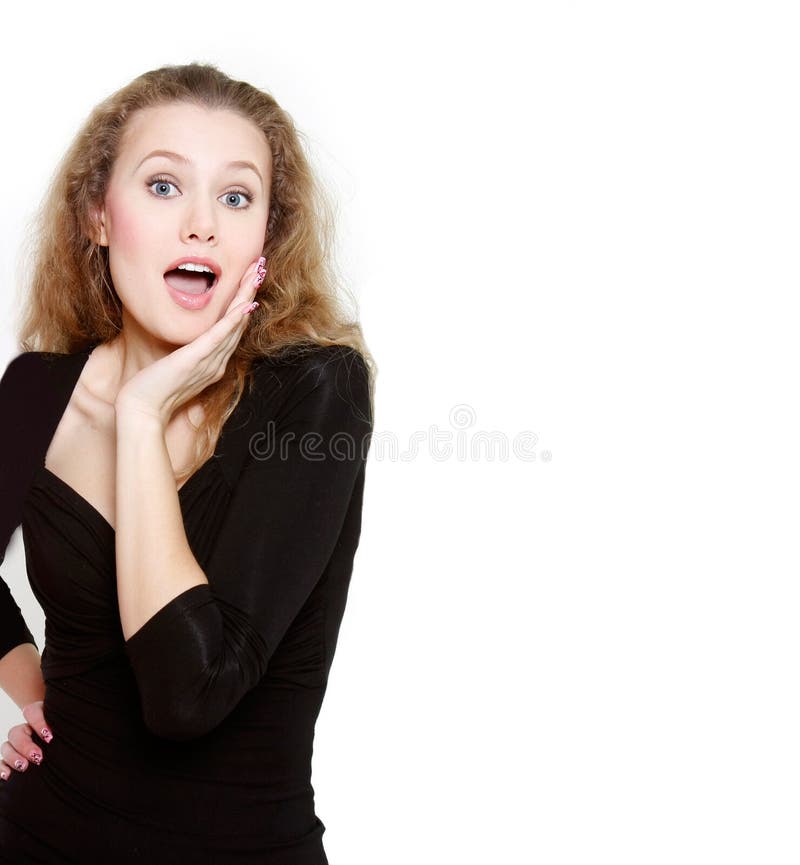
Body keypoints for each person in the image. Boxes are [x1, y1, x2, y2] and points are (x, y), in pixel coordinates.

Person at [0, 62, 374, 864]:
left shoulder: (318, 392)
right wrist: (23, 679)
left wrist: (140, 415)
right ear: (97, 217)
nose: (201, 224)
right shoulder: (35, 392)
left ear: (265, 241)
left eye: (235, 197)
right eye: (164, 186)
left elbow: (188, 695)